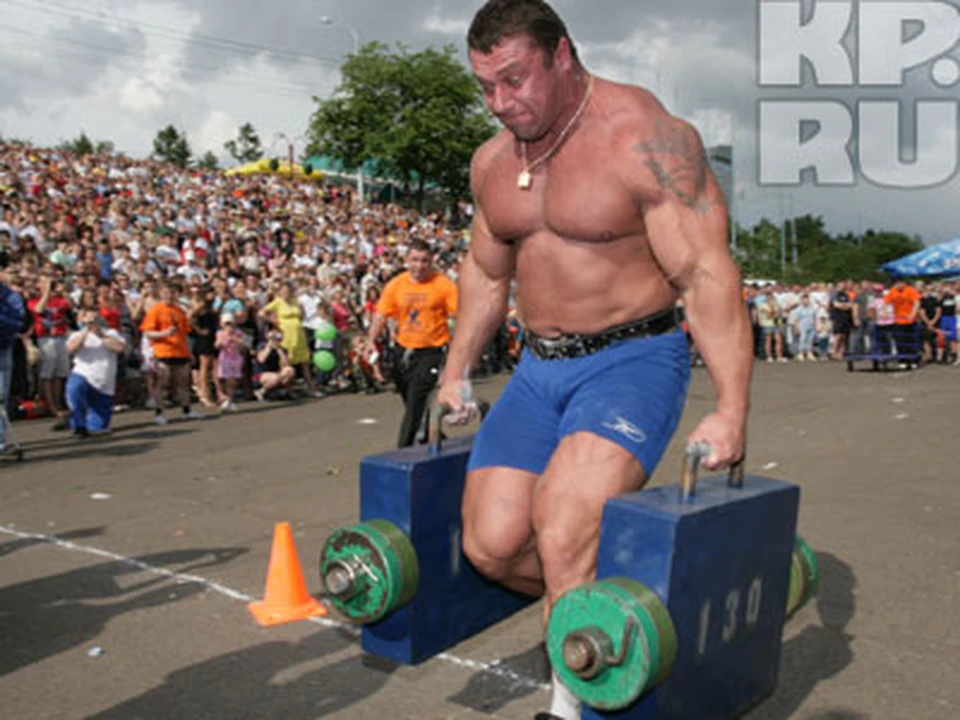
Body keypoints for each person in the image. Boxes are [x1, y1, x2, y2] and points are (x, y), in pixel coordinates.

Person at [439, 3, 753, 719]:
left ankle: (569, 698)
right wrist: (456, 369)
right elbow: (486, 276)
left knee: (563, 516)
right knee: (490, 545)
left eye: (514, 80)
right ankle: (620, 610)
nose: (500, 102)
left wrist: (732, 409)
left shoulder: (645, 138)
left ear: (562, 56)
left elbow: (706, 275)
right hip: (537, 368)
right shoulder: (492, 163)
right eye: (486, 87)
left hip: (632, 359)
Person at [363, 239, 459, 448]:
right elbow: (381, 315)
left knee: (416, 402)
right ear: (407, 260)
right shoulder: (396, 285)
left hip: (431, 351)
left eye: (424, 260)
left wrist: (458, 350)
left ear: (431, 261)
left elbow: (460, 315)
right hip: (403, 350)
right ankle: (435, 436)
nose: (419, 265)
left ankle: (402, 450)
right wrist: (371, 340)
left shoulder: (443, 285)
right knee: (410, 401)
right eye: (414, 260)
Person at [140, 282, 202, 425]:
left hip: (181, 351)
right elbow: (147, 332)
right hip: (163, 351)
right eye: (166, 292)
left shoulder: (179, 310)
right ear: (160, 294)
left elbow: (185, 333)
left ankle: (187, 410)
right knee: (162, 382)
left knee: (184, 381)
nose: (169, 295)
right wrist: (163, 333)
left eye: (171, 292)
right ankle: (159, 413)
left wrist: (189, 351)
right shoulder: (155, 310)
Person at [64, 306, 126, 437]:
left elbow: (119, 348)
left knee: (97, 428)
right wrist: (85, 332)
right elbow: (70, 349)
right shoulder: (76, 334)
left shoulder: (111, 333)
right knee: (74, 389)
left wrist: (100, 334)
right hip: (83, 373)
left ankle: (86, 423)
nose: (92, 322)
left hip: (104, 382)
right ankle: (78, 425)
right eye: (89, 318)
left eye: (95, 318)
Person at [0, 251, 26, 453]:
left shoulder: (10, 296)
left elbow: (18, 321)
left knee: (1, 395)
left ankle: (1, 439)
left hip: (3, 347)